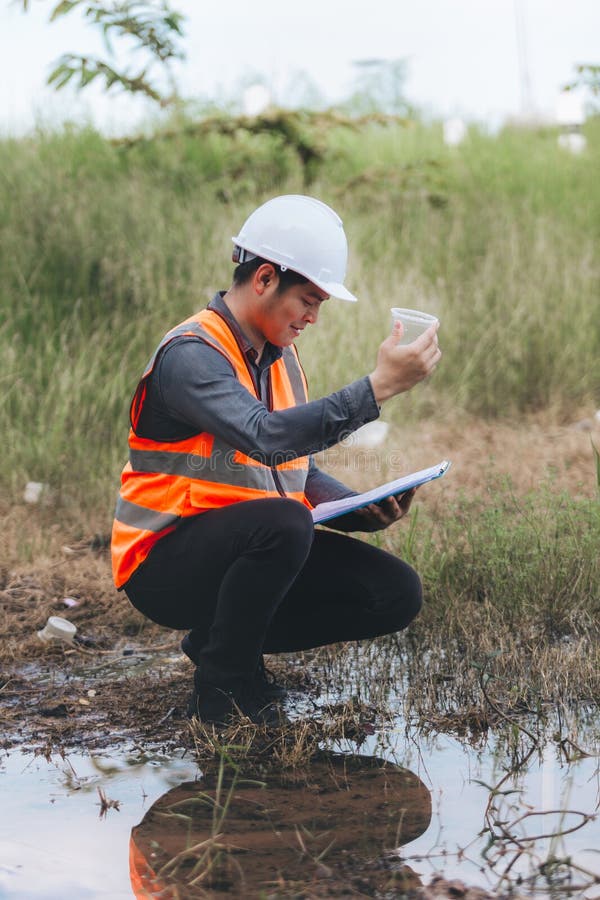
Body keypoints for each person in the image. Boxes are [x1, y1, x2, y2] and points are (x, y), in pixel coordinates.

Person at [111, 194, 441, 726]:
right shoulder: (193, 355)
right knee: (285, 525)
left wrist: (359, 507)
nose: (312, 317)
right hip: (161, 565)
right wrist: (376, 390)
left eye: (320, 305)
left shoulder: (279, 356)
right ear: (264, 278)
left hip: (245, 549)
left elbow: (293, 467)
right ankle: (224, 688)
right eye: (308, 299)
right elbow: (263, 436)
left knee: (395, 593)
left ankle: (221, 642)